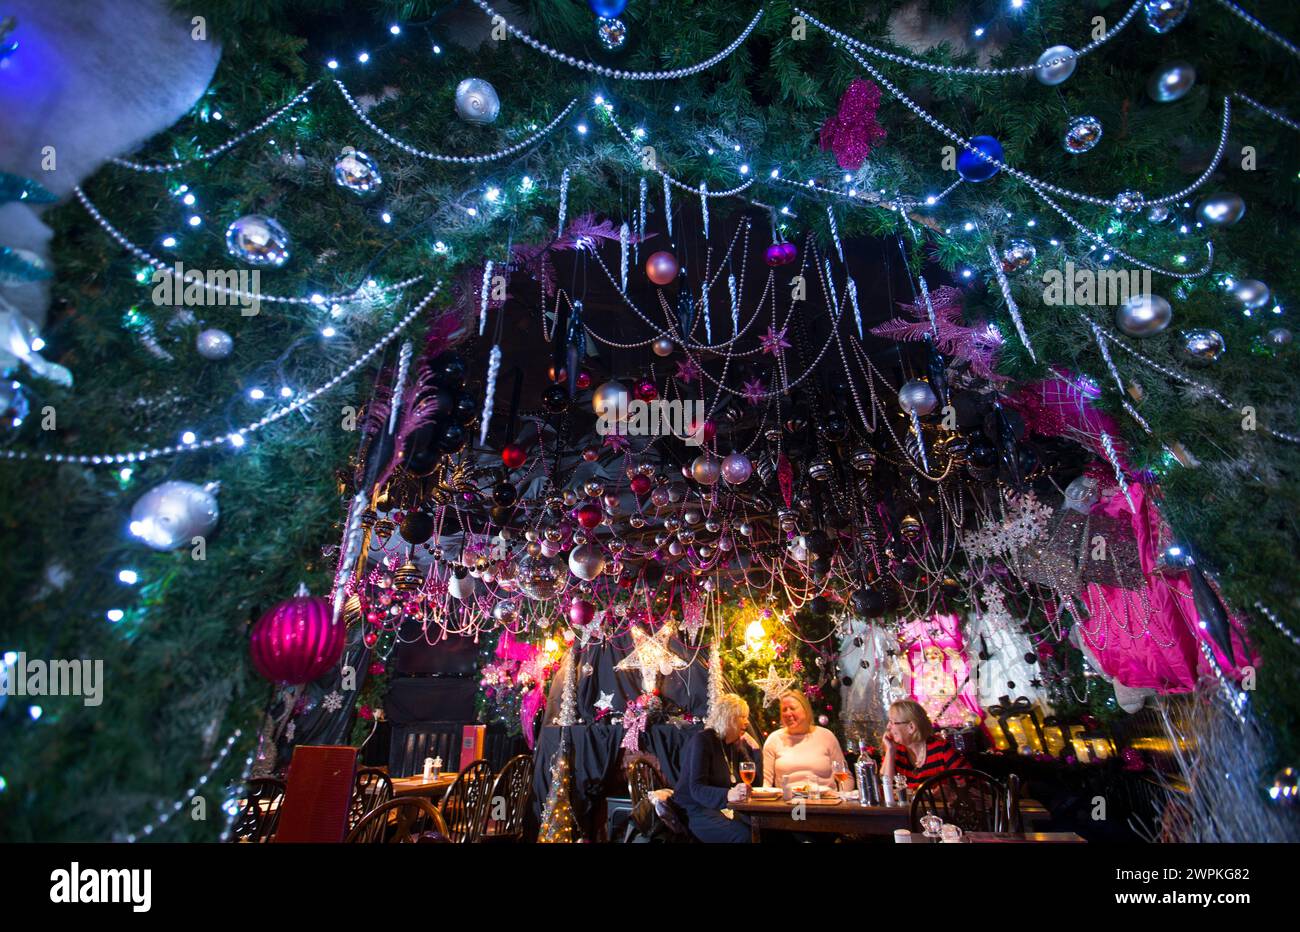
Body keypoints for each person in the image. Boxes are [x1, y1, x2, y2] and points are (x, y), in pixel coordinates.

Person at [674, 693, 761, 843]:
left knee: (765, 830)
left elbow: (756, 783)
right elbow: (696, 789)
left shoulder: (735, 745)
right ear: (729, 718)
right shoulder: (702, 740)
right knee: (744, 837)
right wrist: (729, 794)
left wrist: (755, 750)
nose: (747, 722)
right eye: (743, 717)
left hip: (726, 809)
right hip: (695, 811)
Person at [762, 690, 851, 791]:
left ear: (806, 710)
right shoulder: (774, 739)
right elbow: (766, 783)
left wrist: (842, 800)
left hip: (825, 801)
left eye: (792, 708)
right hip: (788, 803)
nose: (788, 713)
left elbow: (846, 777)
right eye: (784, 710)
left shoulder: (826, 736)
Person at [880, 698, 969, 790]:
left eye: (892, 722)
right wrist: (890, 751)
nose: (888, 726)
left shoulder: (941, 749)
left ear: (911, 727)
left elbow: (972, 783)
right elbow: (885, 789)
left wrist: (951, 791)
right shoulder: (896, 750)